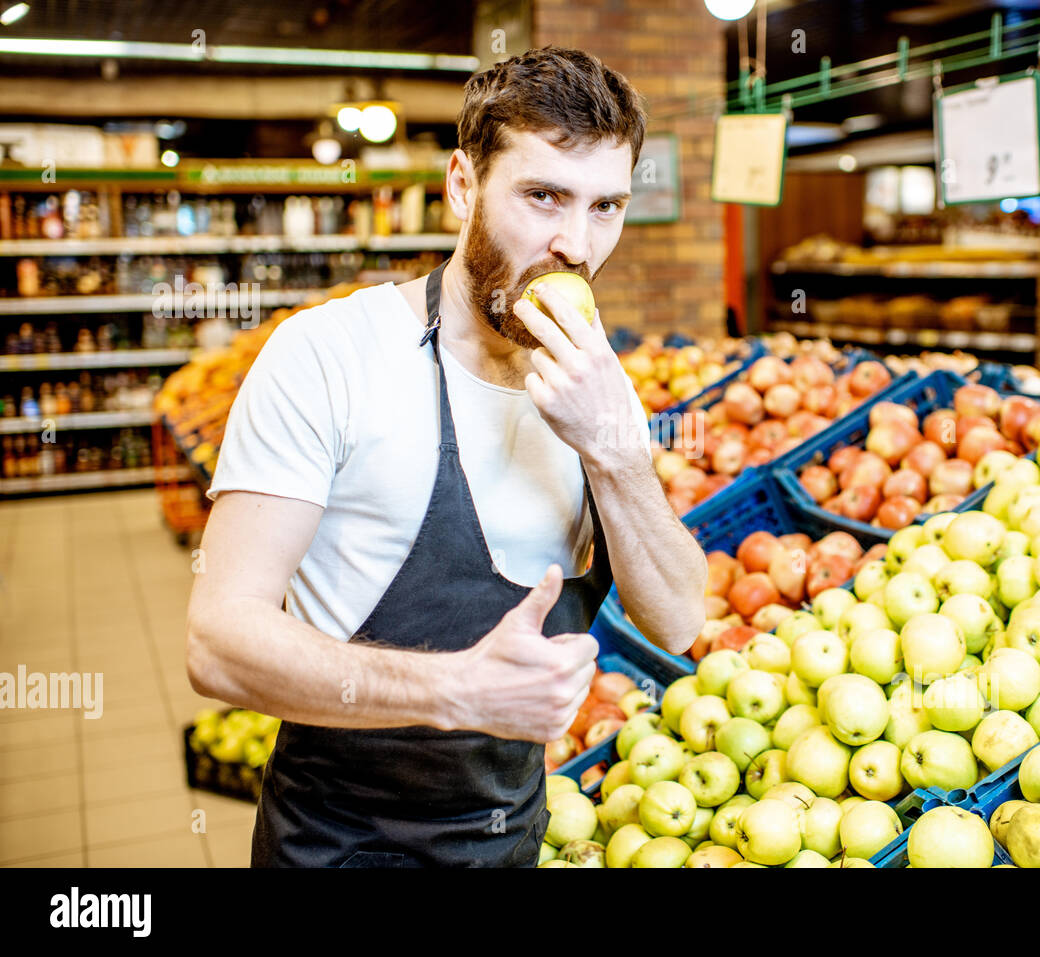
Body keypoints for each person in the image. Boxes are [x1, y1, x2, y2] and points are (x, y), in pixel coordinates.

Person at [186, 47, 708, 868]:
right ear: (462, 184)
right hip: (336, 850)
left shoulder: (594, 387)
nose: (576, 243)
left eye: (606, 206)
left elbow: (679, 619)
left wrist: (617, 452)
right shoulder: (330, 356)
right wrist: (457, 689)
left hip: (511, 844)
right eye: (543, 196)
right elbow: (218, 641)